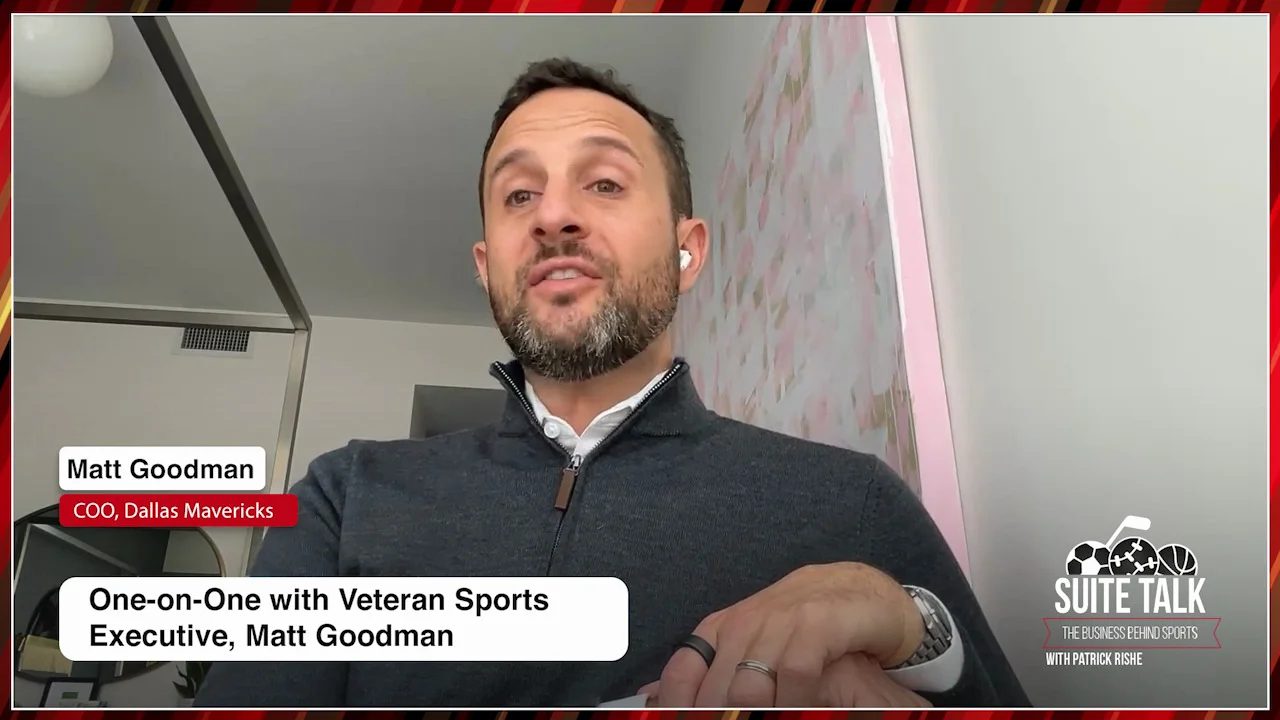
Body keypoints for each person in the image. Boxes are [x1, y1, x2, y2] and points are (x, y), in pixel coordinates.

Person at [197, 57, 1029, 709]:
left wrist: (917, 631)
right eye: (519, 194)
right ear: (487, 268)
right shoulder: (348, 497)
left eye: (603, 183)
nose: (552, 216)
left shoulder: (853, 504)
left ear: (687, 250)